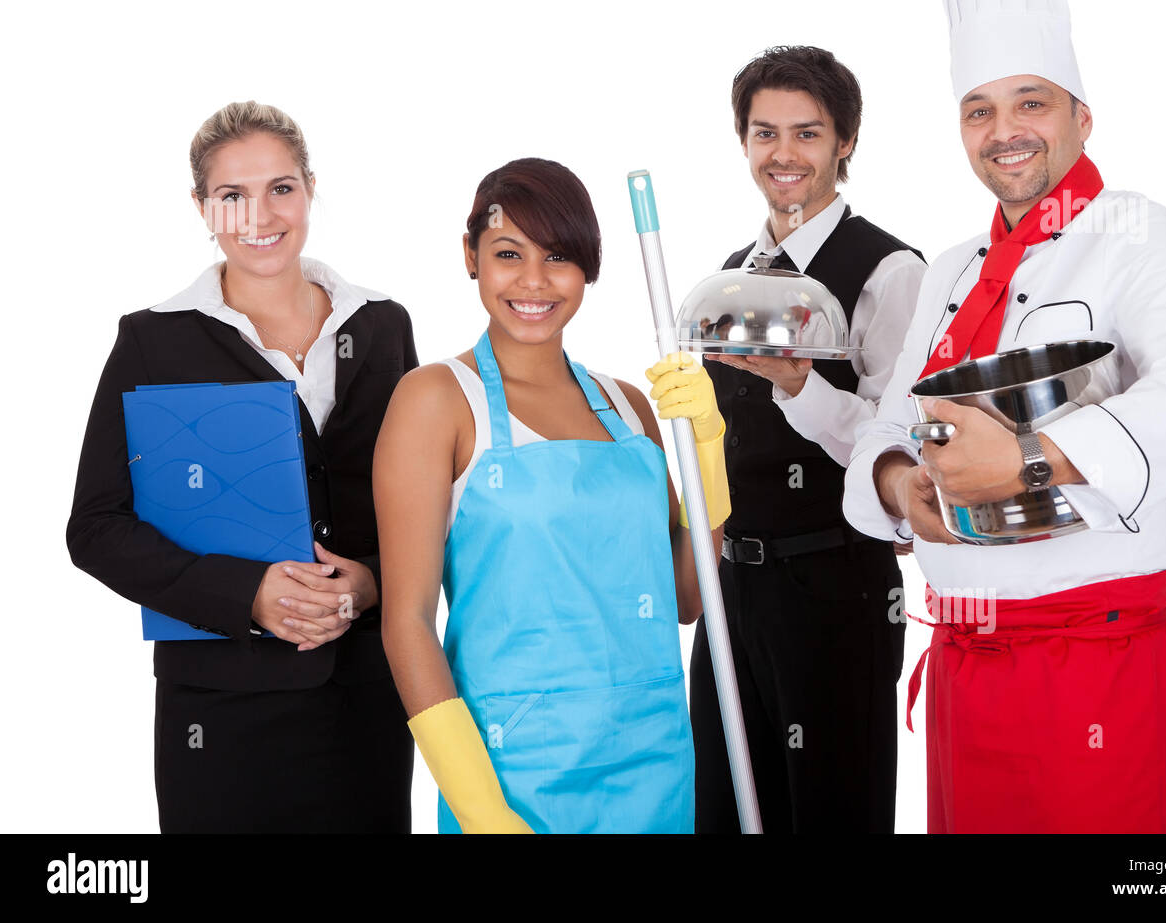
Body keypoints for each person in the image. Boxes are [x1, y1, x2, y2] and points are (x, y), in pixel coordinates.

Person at [844, 0, 1166, 833]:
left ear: (1080, 113)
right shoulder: (951, 270)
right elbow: (886, 425)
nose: (1005, 130)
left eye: (1030, 101)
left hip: (1095, 671)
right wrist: (900, 484)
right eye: (979, 109)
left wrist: (1034, 462)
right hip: (963, 669)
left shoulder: (1138, 233)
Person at [66, 100, 417, 832]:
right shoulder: (152, 343)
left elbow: (427, 501)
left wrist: (375, 577)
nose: (260, 214)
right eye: (232, 196)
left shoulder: (382, 325)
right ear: (202, 208)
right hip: (220, 711)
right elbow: (96, 527)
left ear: (310, 189)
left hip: (367, 697)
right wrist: (245, 593)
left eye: (281, 187)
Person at [376, 157, 728, 834]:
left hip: (652, 765)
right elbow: (408, 624)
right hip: (514, 773)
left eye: (559, 256)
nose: (533, 281)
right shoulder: (438, 401)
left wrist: (710, 455)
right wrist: (481, 809)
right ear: (470, 255)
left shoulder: (629, 406)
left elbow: (687, 598)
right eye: (508, 254)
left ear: (587, 268)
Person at [692, 46, 926, 832]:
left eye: (807, 133)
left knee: (832, 811)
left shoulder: (890, 272)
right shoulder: (731, 275)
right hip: (736, 591)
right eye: (765, 134)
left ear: (845, 142)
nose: (783, 155)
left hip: (837, 590)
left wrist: (797, 383)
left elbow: (904, 445)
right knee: (724, 809)